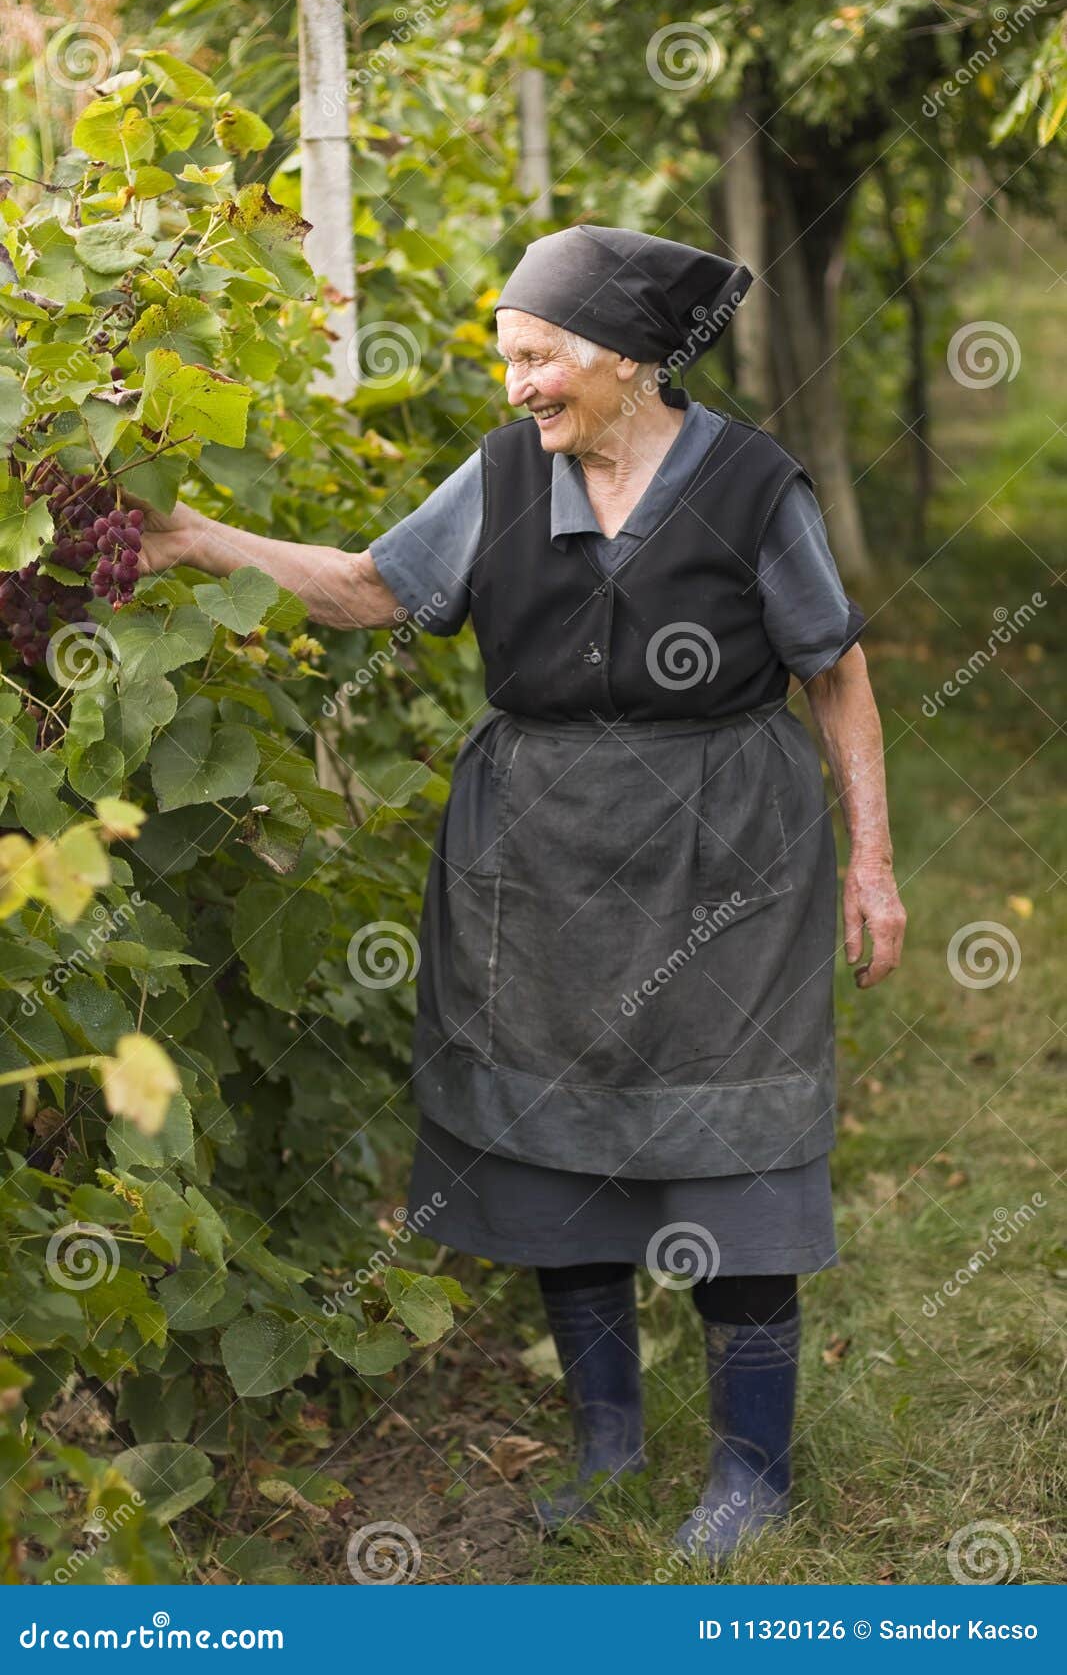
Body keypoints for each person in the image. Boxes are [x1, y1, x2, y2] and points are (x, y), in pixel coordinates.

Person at [139, 224, 906, 1563]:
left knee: (738, 1145)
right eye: (511, 359)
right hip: (541, 860)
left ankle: (750, 1471)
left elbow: (835, 668)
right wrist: (203, 539)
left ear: (622, 362)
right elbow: (371, 588)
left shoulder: (749, 485)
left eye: (537, 358)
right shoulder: (501, 478)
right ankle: (610, 1445)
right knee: (562, 1148)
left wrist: (873, 862)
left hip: (729, 856)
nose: (517, 387)